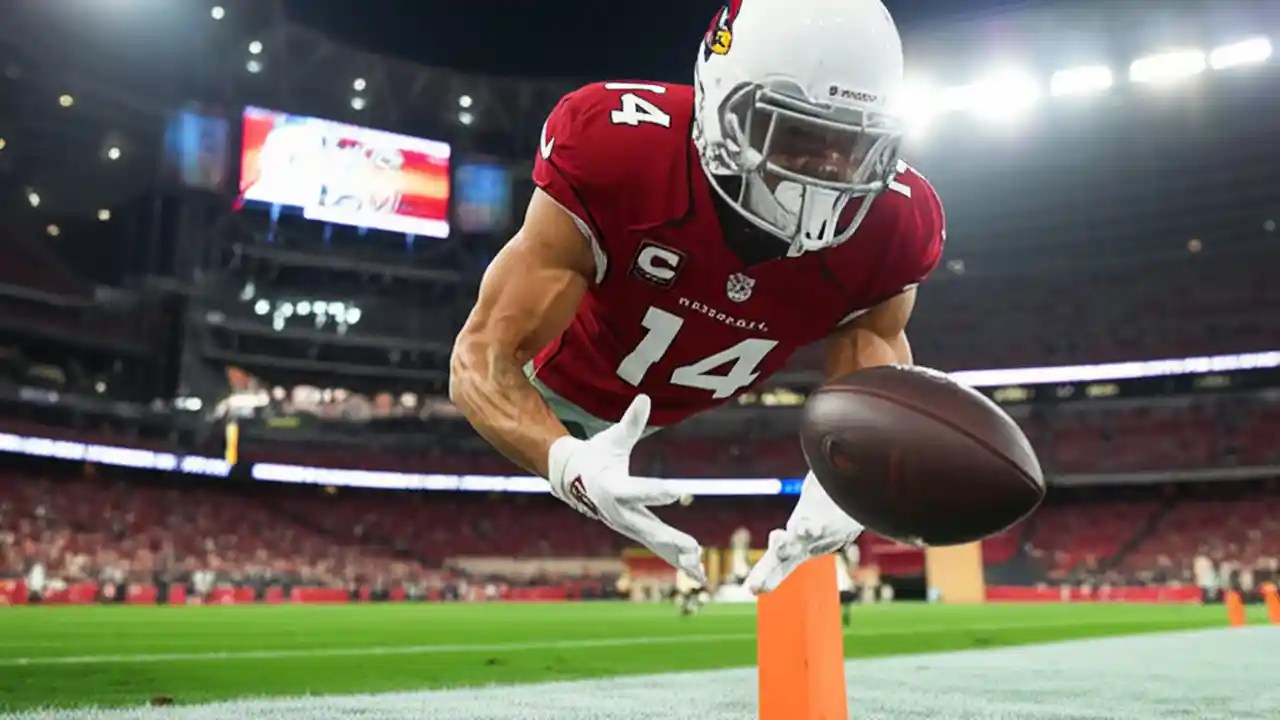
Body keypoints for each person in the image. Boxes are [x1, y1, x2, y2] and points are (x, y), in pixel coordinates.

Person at [450, 0, 945, 593]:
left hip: (679, 405)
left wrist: (855, 480)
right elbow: (479, 356)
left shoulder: (895, 223)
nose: (827, 173)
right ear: (721, 103)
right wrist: (566, 464)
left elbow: (874, 355)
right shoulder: (619, 153)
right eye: (797, 135)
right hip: (555, 388)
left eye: (852, 147)